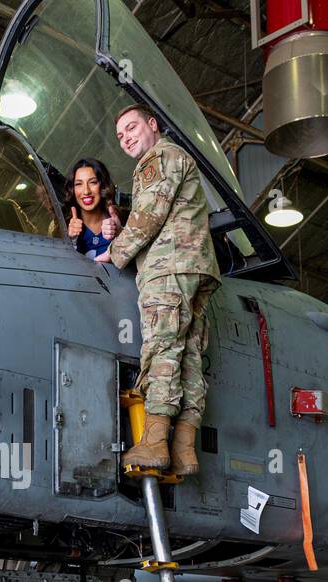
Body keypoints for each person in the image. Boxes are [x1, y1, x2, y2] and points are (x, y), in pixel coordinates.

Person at [96, 104, 220, 477]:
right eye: (120, 135)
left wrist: (114, 252)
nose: (126, 137)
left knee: (162, 348)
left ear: (153, 124)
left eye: (131, 127)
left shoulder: (157, 158)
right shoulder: (177, 158)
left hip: (168, 268)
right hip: (195, 267)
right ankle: (184, 448)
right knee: (189, 358)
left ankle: (154, 442)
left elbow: (149, 216)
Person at [64, 158, 123, 260]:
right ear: (72, 189)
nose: (86, 191)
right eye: (79, 184)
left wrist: (121, 235)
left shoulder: (120, 221)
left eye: (93, 182)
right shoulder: (62, 225)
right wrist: (70, 240)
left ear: (103, 186)